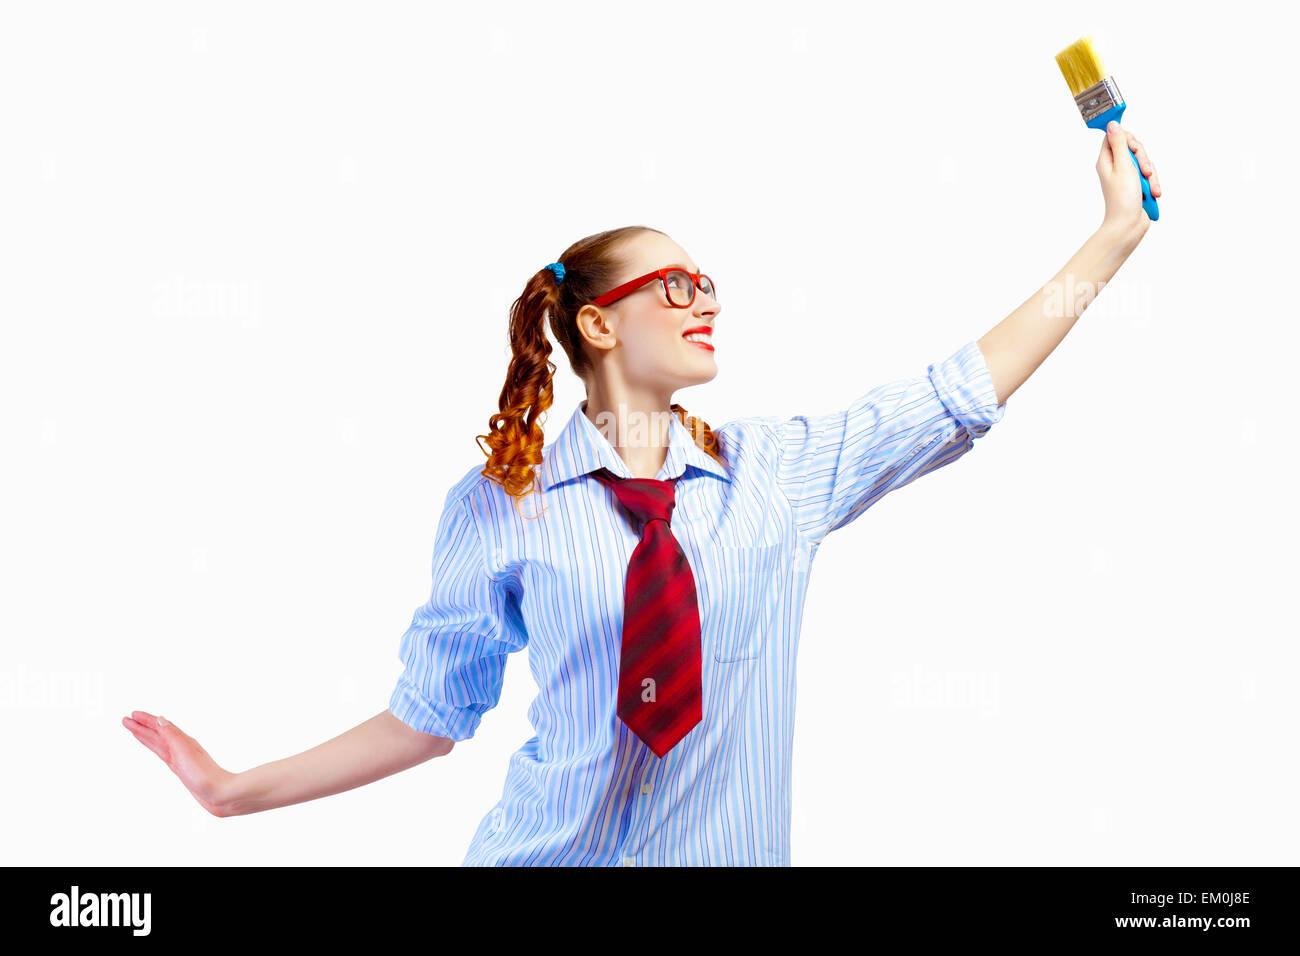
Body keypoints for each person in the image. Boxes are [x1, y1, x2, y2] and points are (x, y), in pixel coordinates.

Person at [124, 121, 1161, 865]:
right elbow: (431, 717)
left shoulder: (778, 474)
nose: (703, 297)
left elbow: (956, 391)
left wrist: (1112, 235)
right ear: (599, 326)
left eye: (707, 281)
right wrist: (231, 790)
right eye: (674, 283)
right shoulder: (499, 505)